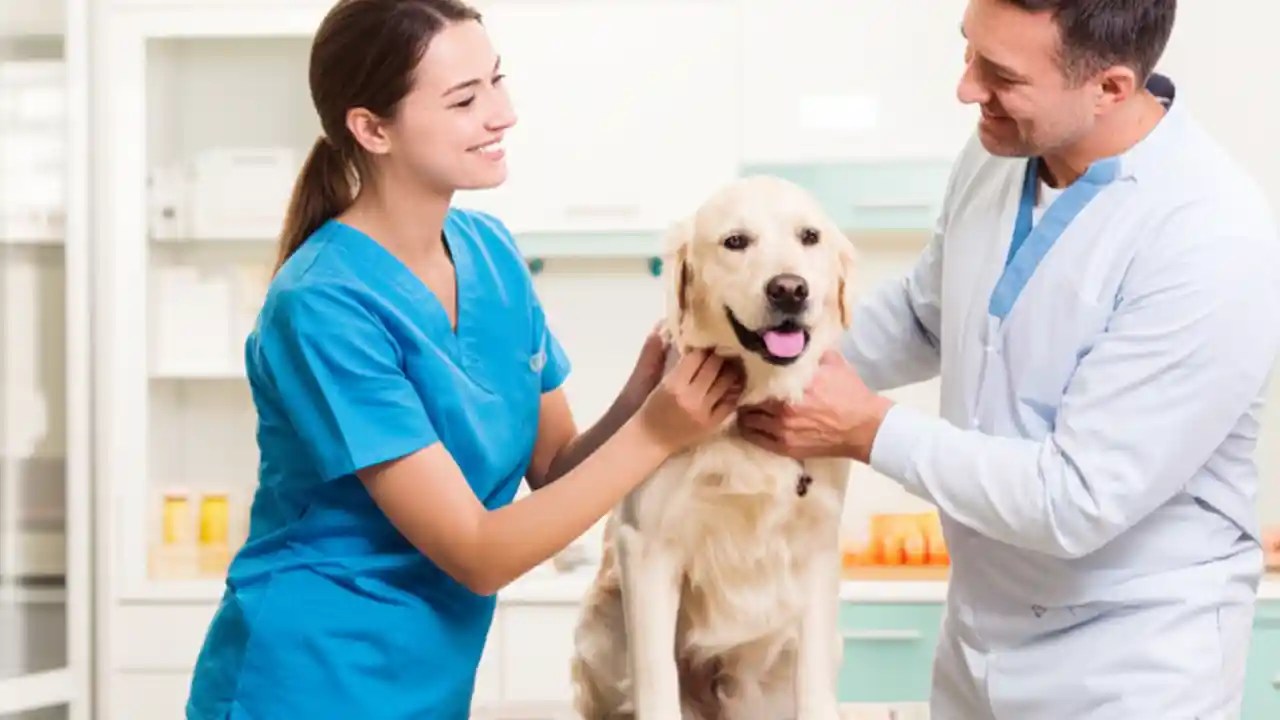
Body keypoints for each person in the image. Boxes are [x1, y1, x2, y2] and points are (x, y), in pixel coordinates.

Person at [183, 1, 743, 717]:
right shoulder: (322, 304)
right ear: (371, 128)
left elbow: (557, 469)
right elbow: (478, 552)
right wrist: (660, 432)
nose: (502, 114)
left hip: (431, 683)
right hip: (309, 680)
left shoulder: (491, 251)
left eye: (497, 82)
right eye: (465, 99)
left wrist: (644, 393)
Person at [739, 0, 1280, 717]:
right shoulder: (1001, 153)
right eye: (969, 51)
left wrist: (868, 430)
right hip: (976, 641)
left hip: (1128, 665)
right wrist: (759, 368)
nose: (966, 88)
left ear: (1110, 88)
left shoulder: (1212, 240)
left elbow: (1076, 497)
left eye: (999, 74)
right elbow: (925, 314)